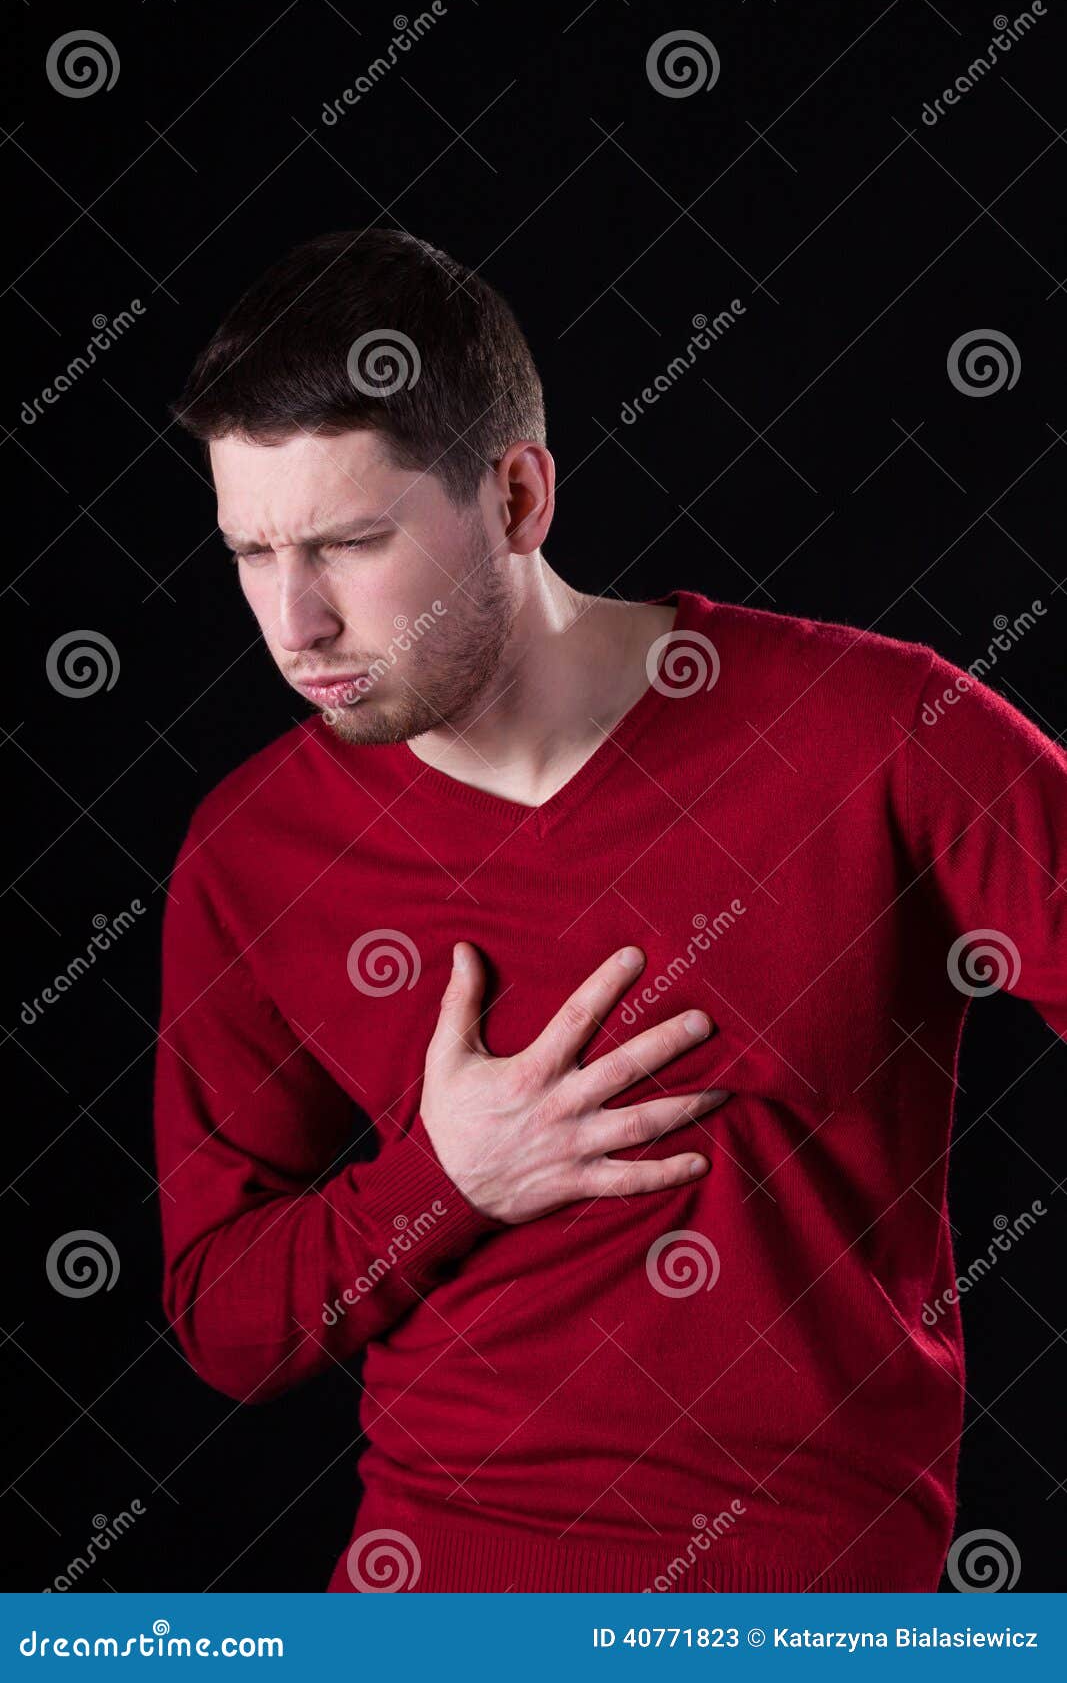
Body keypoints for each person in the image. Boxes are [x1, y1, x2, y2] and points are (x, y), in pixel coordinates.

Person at [155, 227, 1067, 1594]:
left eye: (350, 543)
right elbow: (224, 1316)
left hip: (809, 1601)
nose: (296, 623)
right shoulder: (251, 848)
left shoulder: (884, 734)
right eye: (251, 552)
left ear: (519, 497)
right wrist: (443, 1184)